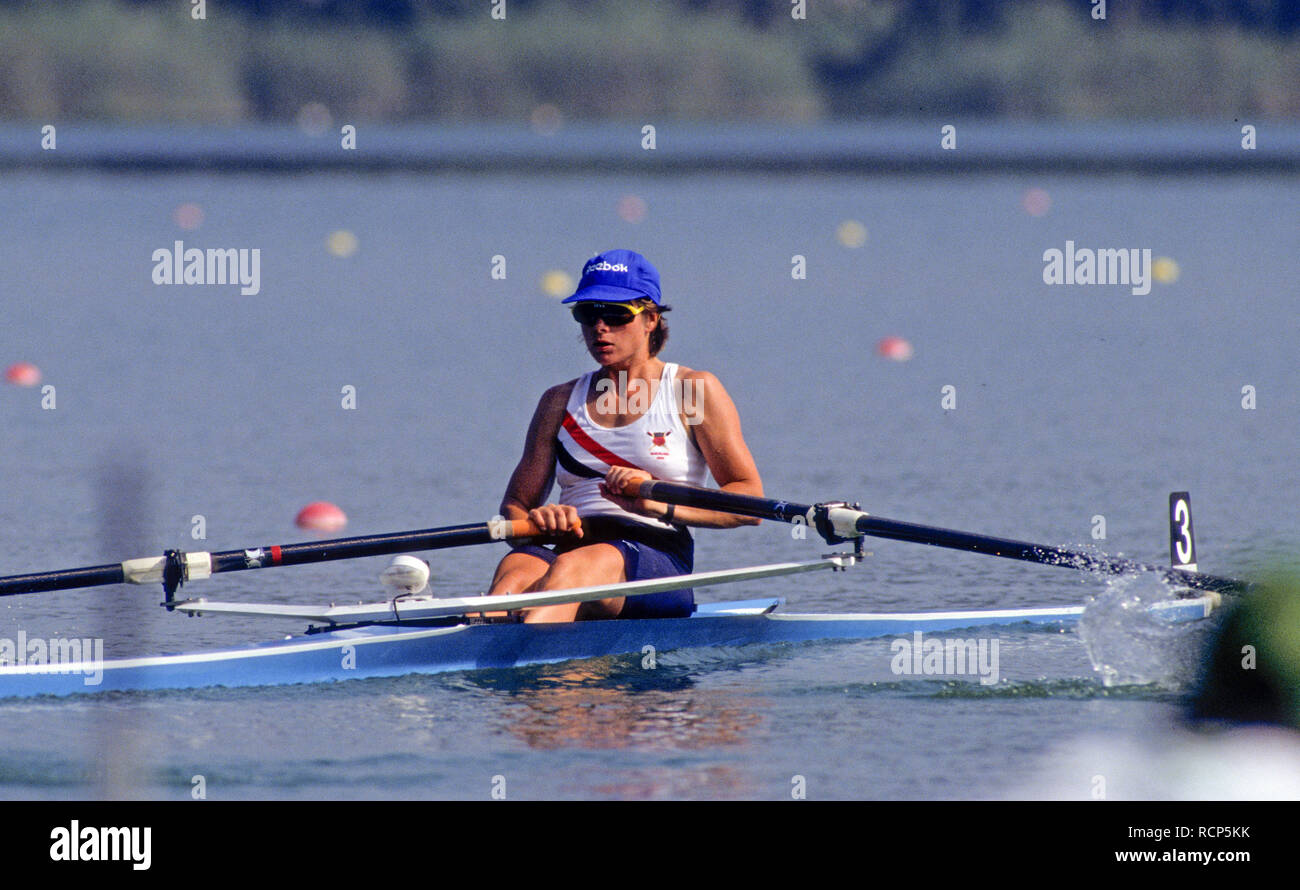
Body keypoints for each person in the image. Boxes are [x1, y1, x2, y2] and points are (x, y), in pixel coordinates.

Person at [488, 249, 763, 622]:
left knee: (572, 571)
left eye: (616, 314)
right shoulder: (557, 401)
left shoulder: (691, 391)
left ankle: (535, 673)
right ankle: (491, 634)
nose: (600, 327)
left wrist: (656, 505)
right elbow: (515, 507)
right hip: (568, 545)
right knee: (511, 578)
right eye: (588, 314)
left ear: (651, 319)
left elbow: (748, 501)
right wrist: (536, 523)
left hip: (654, 553)